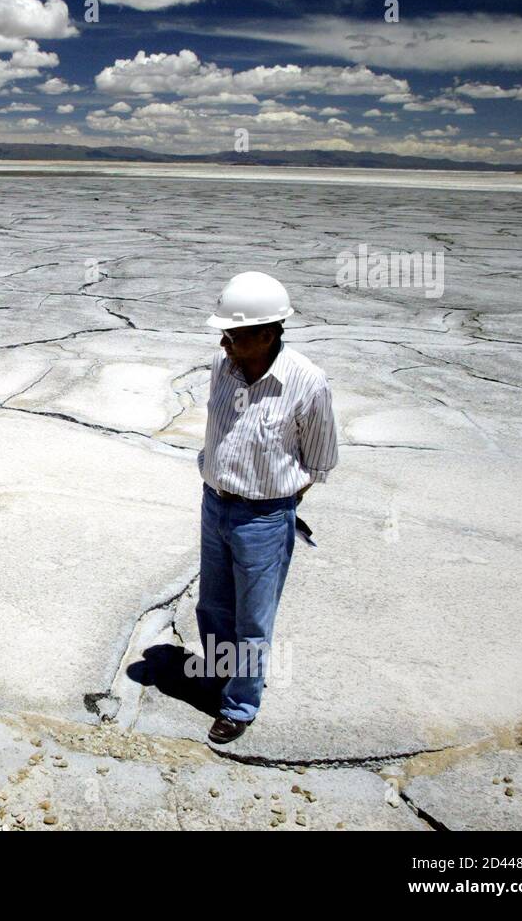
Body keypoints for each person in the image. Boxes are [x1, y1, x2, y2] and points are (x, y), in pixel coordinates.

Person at [195, 271, 339, 744]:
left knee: (252, 620)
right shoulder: (223, 368)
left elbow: (319, 462)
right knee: (213, 607)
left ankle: (240, 704)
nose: (223, 342)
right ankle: (221, 678)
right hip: (214, 505)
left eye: (233, 334)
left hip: (264, 517)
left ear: (268, 332)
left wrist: (274, 507)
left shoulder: (307, 382)